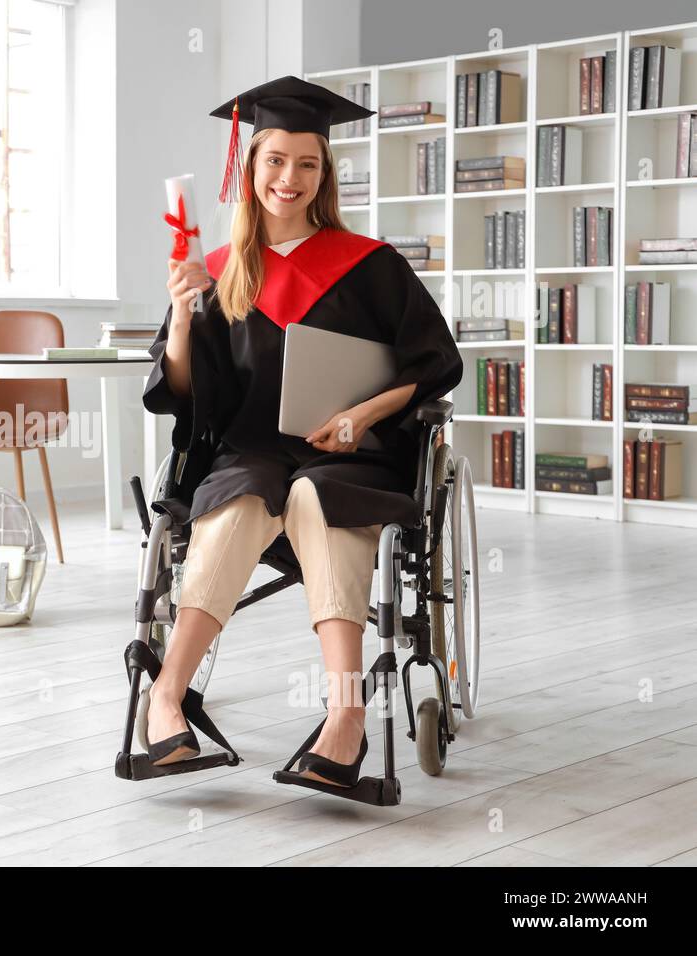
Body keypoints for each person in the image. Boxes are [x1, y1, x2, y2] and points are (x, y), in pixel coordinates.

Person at [143, 76, 464, 787]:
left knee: (320, 497)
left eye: (307, 163)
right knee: (241, 499)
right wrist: (181, 315)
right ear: (251, 169)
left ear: (324, 174)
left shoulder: (371, 265)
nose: (290, 178)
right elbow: (185, 394)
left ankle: (345, 717)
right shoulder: (219, 272)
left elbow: (434, 363)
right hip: (250, 453)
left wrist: (362, 414)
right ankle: (165, 700)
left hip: (352, 457)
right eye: (275, 161)